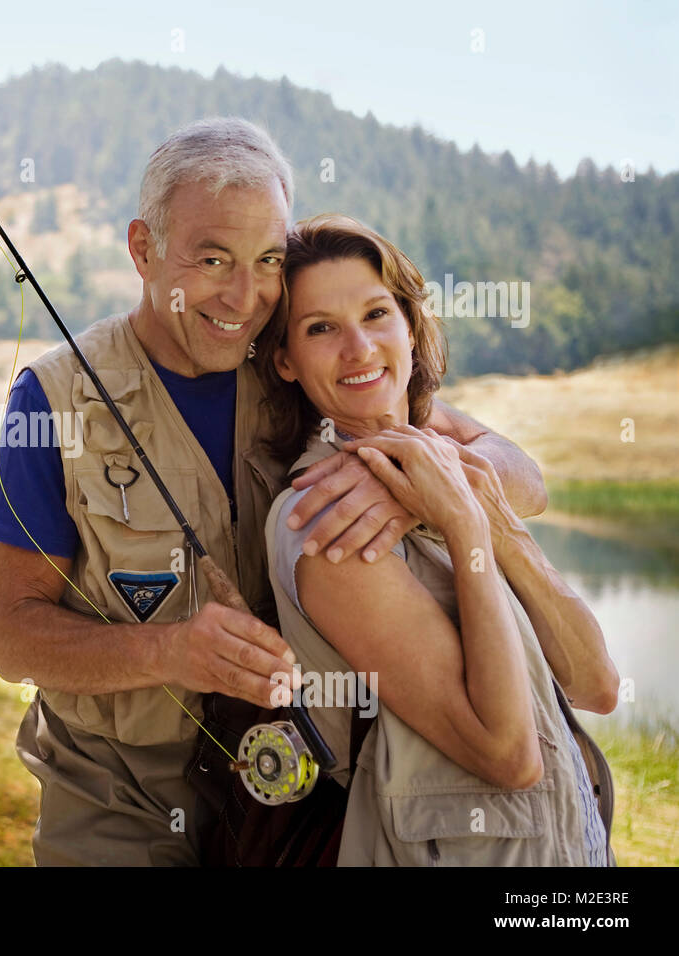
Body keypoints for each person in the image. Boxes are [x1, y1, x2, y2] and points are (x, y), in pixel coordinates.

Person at [0, 118, 549, 866]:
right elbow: (11, 635)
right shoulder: (50, 401)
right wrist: (170, 652)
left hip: (299, 788)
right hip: (117, 795)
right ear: (143, 249)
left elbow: (519, 471)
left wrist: (427, 494)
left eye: (268, 260)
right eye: (213, 259)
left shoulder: (298, 358)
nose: (245, 297)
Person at [252, 213, 618, 865]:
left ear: (410, 327)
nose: (360, 349)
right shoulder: (326, 519)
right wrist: (468, 525)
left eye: (376, 314)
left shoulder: (443, 464)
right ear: (285, 358)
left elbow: (599, 685)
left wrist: (491, 522)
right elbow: (506, 755)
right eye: (320, 329)